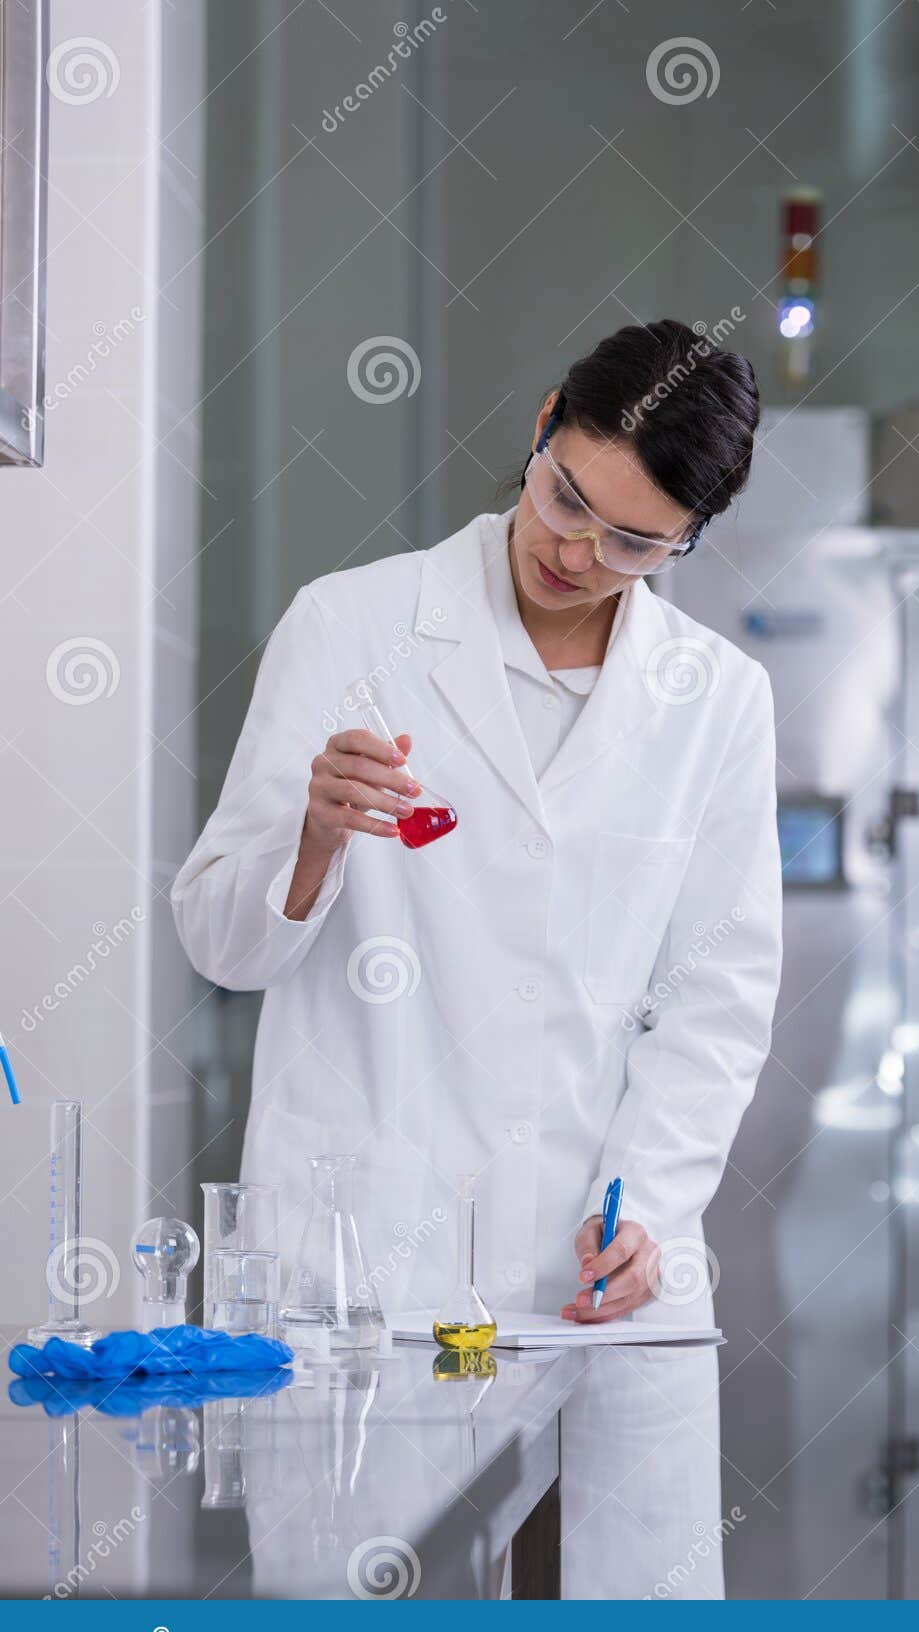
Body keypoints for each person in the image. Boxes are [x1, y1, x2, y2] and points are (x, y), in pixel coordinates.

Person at [172, 317, 783, 1328]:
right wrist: (312, 842)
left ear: (688, 539)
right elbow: (218, 943)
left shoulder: (718, 701)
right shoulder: (349, 626)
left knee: (585, 1487)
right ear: (546, 424)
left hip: (583, 1272)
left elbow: (717, 1003)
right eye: (564, 497)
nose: (575, 552)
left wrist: (651, 1211)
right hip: (367, 1257)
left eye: (631, 542)